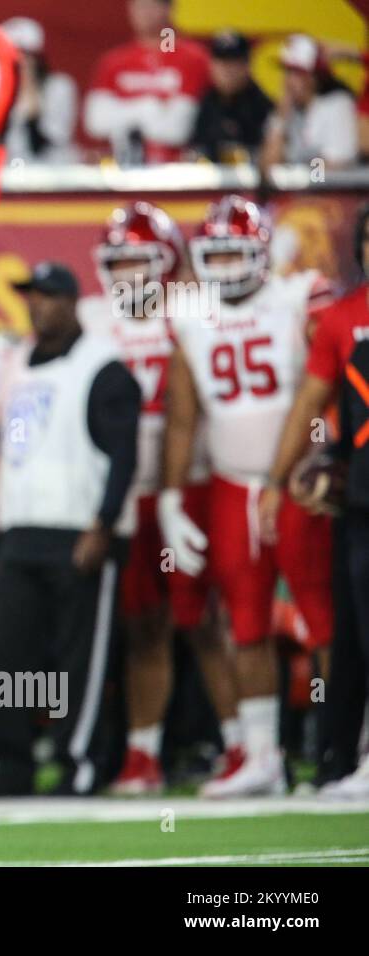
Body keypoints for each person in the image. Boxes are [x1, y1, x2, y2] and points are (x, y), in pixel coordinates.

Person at [160, 195, 330, 797]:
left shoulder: (297, 297)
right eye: (217, 253)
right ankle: (261, 755)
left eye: (237, 251)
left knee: (323, 617)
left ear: (262, 254)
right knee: (244, 619)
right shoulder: (190, 317)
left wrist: (318, 463)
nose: (228, 265)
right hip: (233, 483)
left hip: (300, 479)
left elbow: (328, 381)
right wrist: (172, 497)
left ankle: (343, 747)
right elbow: (182, 419)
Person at [79, 203, 239, 795]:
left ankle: (243, 741)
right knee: (142, 626)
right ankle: (143, 756)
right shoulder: (94, 319)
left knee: (202, 621)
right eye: (117, 264)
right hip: (126, 496)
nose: (126, 278)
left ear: (167, 265)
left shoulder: (192, 311)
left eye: (138, 263)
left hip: (187, 486)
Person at [0, 261, 141, 796]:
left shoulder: (105, 367)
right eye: (31, 296)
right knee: (9, 658)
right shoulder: (18, 362)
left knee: (79, 662)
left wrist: (104, 525)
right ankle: (11, 765)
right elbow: (14, 442)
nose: (37, 305)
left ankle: (80, 763)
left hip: (78, 533)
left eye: (48, 296)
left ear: (73, 302)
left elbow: (124, 456)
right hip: (21, 530)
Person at [261, 204, 369, 798]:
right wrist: (289, 475)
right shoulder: (340, 318)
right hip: (359, 493)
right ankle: (341, 755)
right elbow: (313, 405)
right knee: (348, 629)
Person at [83, 0, 210, 164]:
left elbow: (177, 129)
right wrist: (148, 108)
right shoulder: (114, 61)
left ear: (168, 9)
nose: (144, 13)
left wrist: (122, 114)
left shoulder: (192, 58)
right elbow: (96, 123)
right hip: (123, 168)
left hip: (178, 169)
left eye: (151, 5)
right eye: (138, 6)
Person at [260, 34, 359, 173]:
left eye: (297, 73)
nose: (288, 81)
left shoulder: (337, 104)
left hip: (334, 192)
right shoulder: (285, 110)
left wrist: (293, 173)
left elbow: (336, 167)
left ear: (314, 77)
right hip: (295, 192)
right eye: (287, 72)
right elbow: (267, 168)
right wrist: (280, 120)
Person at [0, 17, 78, 165]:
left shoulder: (58, 87)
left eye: (28, 58)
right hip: (8, 170)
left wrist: (33, 106)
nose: (23, 65)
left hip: (51, 170)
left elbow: (55, 139)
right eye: (16, 60)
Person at [189, 32, 273, 164]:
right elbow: (196, 149)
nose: (227, 71)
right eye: (221, 62)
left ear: (247, 66)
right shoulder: (206, 101)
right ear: (212, 65)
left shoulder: (262, 107)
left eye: (234, 63)